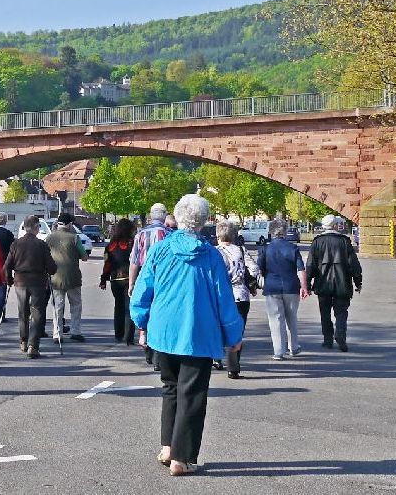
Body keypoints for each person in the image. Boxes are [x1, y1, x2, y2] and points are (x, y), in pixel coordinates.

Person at [130, 194, 244, 477]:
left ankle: (167, 446)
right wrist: (233, 335)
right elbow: (224, 300)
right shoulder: (211, 255)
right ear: (204, 221)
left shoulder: (160, 250)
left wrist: (142, 322)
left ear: (178, 217)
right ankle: (182, 457)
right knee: (192, 394)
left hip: (163, 330)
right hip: (198, 332)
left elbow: (143, 291)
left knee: (170, 387)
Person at [306, 214, 363, 351]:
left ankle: (328, 340)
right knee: (341, 311)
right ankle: (340, 334)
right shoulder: (344, 241)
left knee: (324, 312)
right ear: (335, 225)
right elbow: (353, 264)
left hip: (323, 282)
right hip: (342, 282)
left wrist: (307, 284)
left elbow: (310, 265)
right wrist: (358, 281)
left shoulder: (317, 242)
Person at [4, 214, 57, 358]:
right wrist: (51, 270)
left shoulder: (16, 244)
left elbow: (7, 265)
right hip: (38, 282)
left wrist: (9, 279)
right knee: (37, 312)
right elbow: (52, 267)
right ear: (36, 227)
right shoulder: (41, 244)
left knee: (23, 311)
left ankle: (23, 341)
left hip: (20, 281)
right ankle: (33, 345)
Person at [257, 219, 308, 360]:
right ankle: (294, 347)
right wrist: (304, 287)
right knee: (292, 318)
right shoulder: (292, 248)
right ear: (285, 231)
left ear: (271, 231)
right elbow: (301, 269)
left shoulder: (265, 249)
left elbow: (259, 269)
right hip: (291, 286)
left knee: (275, 319)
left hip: (272, 287)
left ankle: (278, 351)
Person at [214, 220, 259, 378]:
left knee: (218, 327)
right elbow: (254, 269)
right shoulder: (241, 250)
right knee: (237, 330)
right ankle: (233, 367)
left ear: (218, 236)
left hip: (220, 295)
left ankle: (216, 358)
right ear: (233, 236)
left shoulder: (214, 252)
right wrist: (250, 281)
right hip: (240, 295)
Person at [130, 203, 170, 368]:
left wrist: (132, 283)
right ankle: (157, 356)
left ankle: (147, 347)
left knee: (145, 309)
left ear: (150, 216)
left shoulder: (141, 234)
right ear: (164, 216)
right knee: (159, 312)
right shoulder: (168, 234)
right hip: (163, 278)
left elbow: (134, 261)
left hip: (144, 276)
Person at [47, 212, 88, 342]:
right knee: (76, 304)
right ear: (69, 224)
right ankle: (75, 331)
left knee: (57, 306)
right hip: (73, 277)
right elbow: (84, 256)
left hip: (55, 277)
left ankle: (57, 333)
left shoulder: (49, 238)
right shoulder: (74, 238)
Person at [100, 218, 136, 344]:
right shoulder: (132, 244)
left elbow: (107, 264)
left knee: (119, 306)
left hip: (115, 279)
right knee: (129, 308)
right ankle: (128, 336)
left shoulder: (111, 245)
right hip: (129, 278)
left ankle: (118, 334)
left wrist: (103, 279)